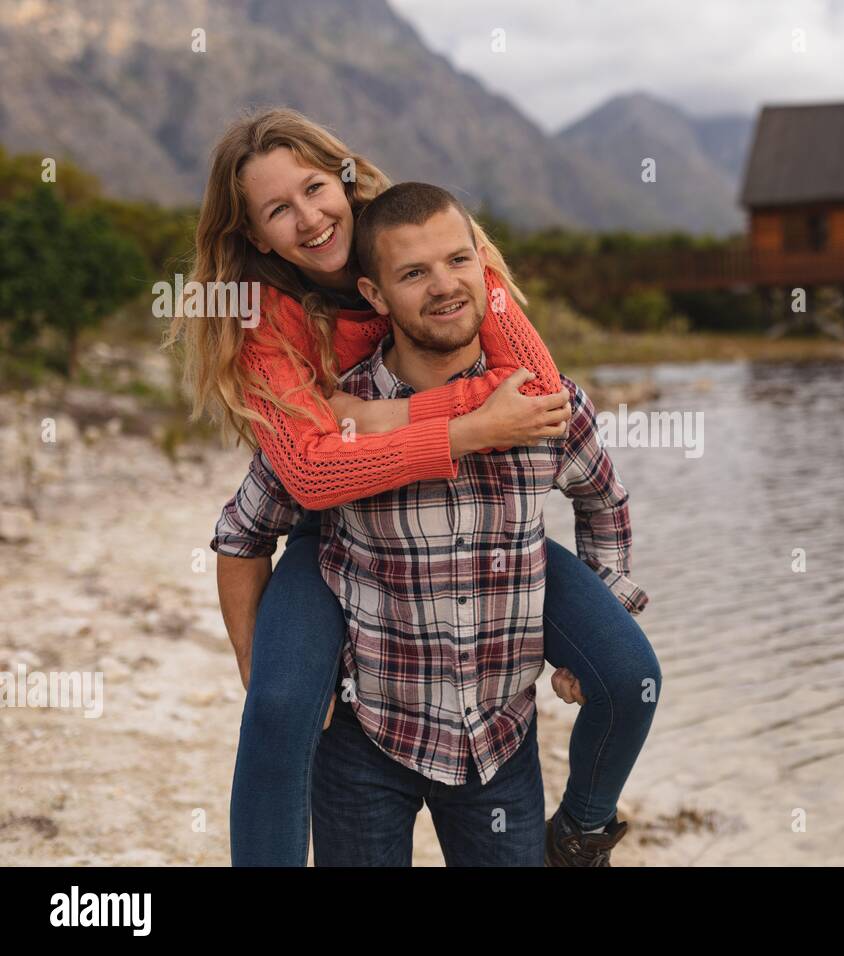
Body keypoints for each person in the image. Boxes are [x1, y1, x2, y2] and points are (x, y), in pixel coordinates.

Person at [168, 108, 660, 866]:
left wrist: (412, 414)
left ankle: (584, 833)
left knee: (628, 672)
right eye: (277, 209)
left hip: (487, 592)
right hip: (332, 514)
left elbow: (540, 398)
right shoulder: (266, 318)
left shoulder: (428, 238)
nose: (307, 218)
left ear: (341, 176)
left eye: (311, 189)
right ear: (258, 236)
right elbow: (300, 475)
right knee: (278, 704)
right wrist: (454, 425)